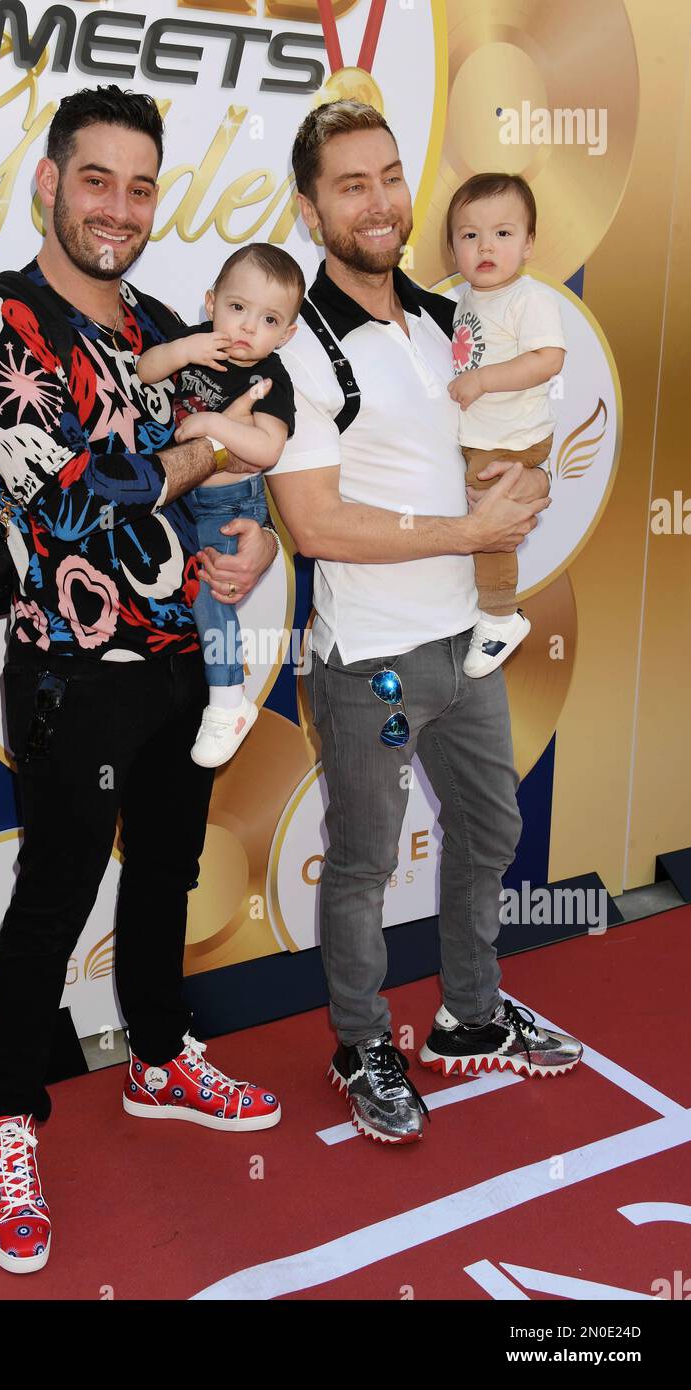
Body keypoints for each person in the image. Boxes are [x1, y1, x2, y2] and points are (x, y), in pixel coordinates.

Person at [0, 85, 282, 1275]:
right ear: (47, 182)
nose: (121, 207)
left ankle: (157, 1055)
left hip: (183, 656)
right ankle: (4, 1124)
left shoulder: (157, 316)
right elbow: (80, 493)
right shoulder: (3, 324)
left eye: (141, 186)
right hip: (72, 670)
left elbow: (239, 456)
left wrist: (255, 543)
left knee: (169, 871)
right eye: (98, 179)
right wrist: (202, 458)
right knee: (55, 894)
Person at [268, 100, 583, 1147]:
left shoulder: (449, 319)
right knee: (361, 863)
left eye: (389, 176)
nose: (378, 201)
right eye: (349, 184)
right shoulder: (298, 348)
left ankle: (466, 1014)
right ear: (311, 210)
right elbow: (313, 527)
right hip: (369, 661)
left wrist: (506, 497)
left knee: (489, 829)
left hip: (464, 637)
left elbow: (490, 431)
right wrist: (466, 525)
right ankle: (361, 1042)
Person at [137, 244, 303, 766]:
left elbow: (267, 448)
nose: (248, 327)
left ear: (287, 334)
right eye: (237, 308)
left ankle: (229, 699)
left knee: (213, 596)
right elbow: (144, 370)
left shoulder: (269, 381)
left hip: (227, 504)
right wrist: (182, 351)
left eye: (269, 319)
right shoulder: (194, 342)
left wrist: (213, 426)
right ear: (211, 302)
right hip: (176, 499)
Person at [447, 172, 567, 676]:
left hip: (512, 441)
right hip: (485, 438)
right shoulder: (469, 299)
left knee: (488, 515)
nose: (485, 246)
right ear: (453, 248)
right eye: (470, 235)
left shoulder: (528, 299)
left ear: (529, 243)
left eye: (503, 233)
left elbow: (548, 359)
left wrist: (484, 380)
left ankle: (499, 616)